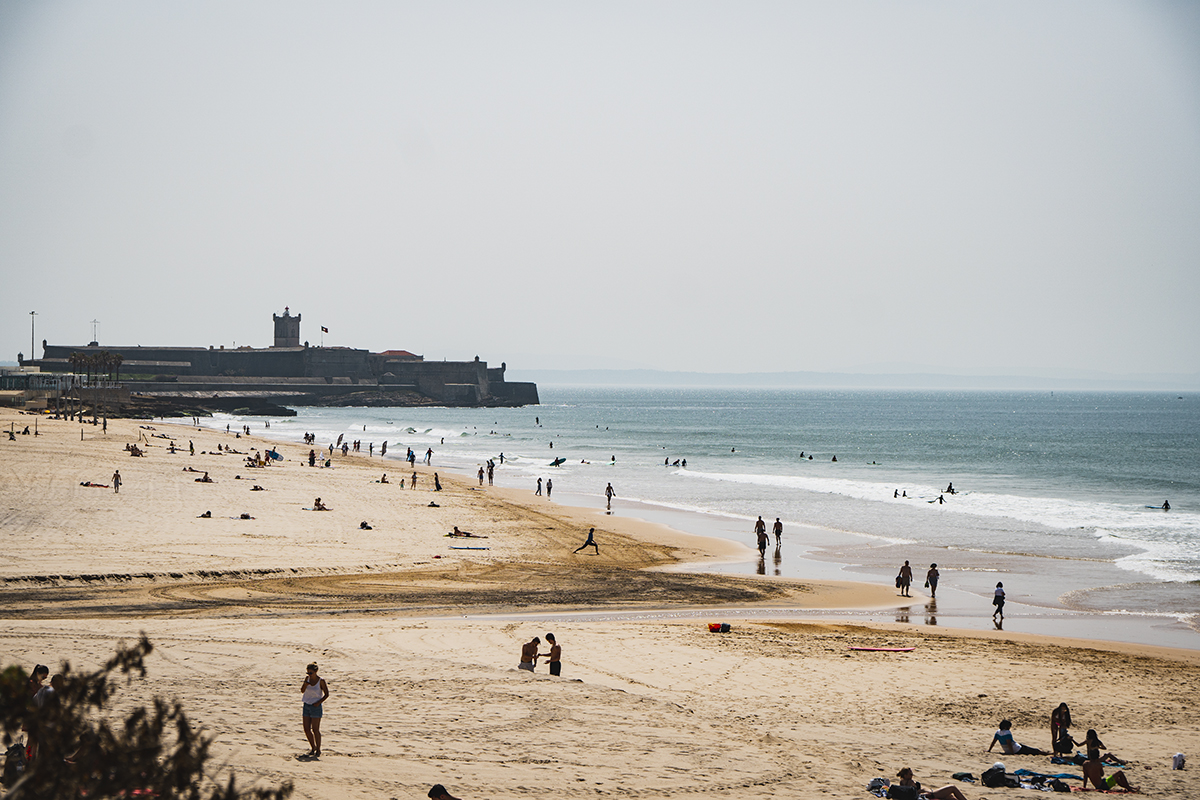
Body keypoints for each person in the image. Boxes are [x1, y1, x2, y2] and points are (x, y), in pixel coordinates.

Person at [300, 662, 329, 758]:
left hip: (316, 707)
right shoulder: (307, 679)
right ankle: (313, 748)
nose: (309, 675)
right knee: (306, 729)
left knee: (315, 729)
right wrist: (305, 683)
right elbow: (302, 691)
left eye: (311, 673)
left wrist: (319, 702)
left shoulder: (321, 681)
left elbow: (326, 694)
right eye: (308, 673)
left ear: (316, 672)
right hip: (306, 705)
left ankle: (318, 750)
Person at [889, 767, 967, 800]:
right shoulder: (909, 782)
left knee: (951, 797)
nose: (912, 775)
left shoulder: (902, 783)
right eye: (910, 774)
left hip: (930, 793)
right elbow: (914, 793)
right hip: (930, 793)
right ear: (905, 775)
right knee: (952, 788)